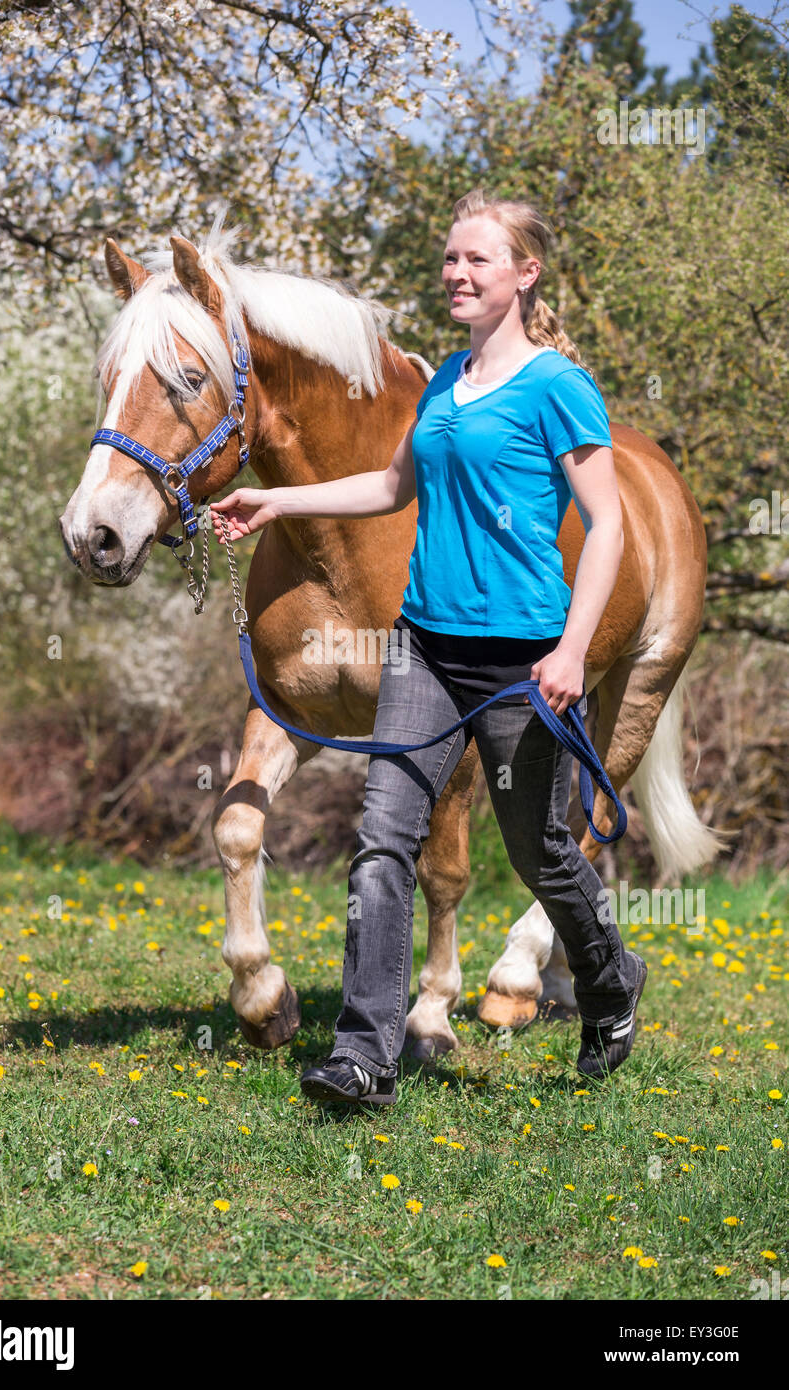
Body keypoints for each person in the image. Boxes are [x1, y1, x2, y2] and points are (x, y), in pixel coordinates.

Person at [210, 188, 647, 1106]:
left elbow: (605, 524)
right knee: (382, 843)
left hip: (522, 657)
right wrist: (276, 501)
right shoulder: (447, 379)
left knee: (543, 856)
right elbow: (390, 482)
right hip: (424, 648)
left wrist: (571, 651)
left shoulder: (558, 386)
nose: (456, 272)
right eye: (451, 259)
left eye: (477, 260)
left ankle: (609, 979)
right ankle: (365, 1054)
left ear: (523, 275)